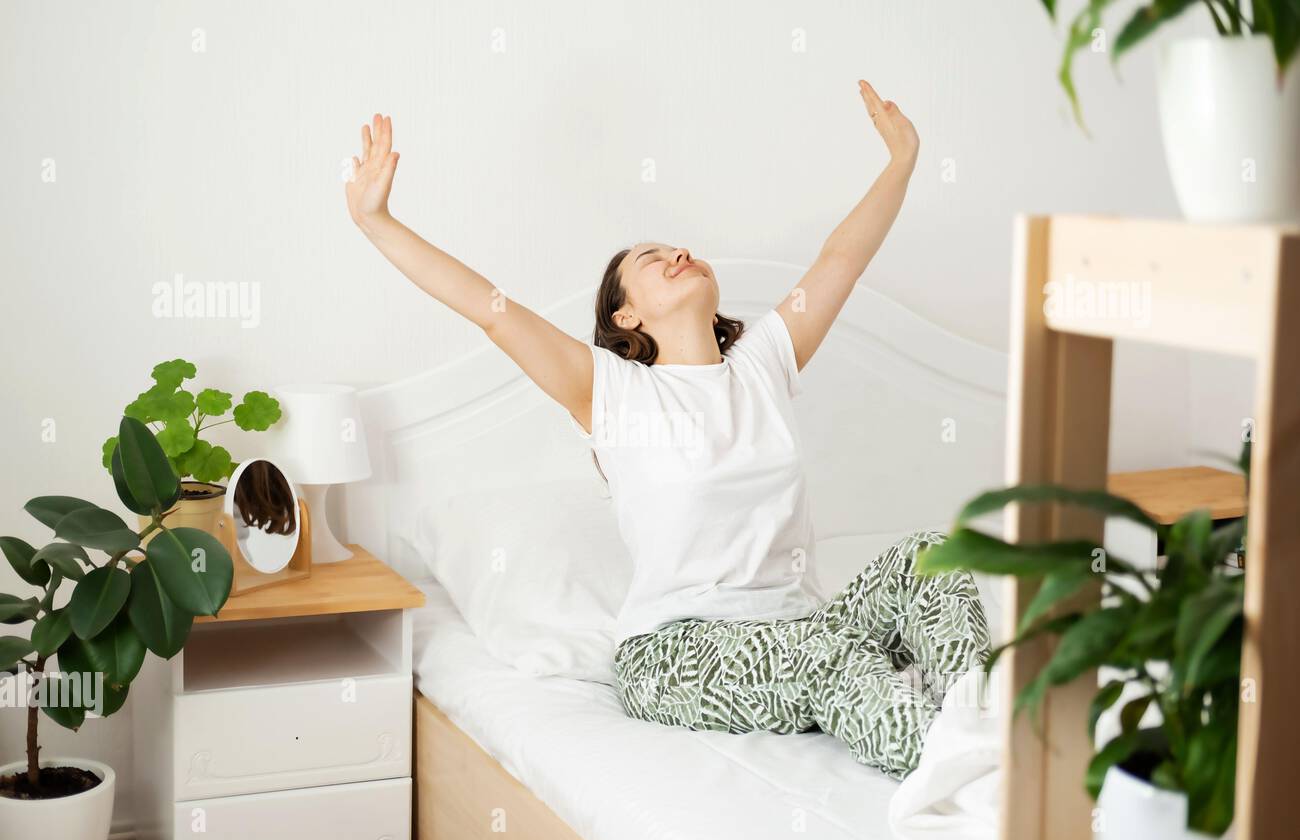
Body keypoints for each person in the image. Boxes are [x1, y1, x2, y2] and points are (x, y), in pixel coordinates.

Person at [344, 80, 989, 779]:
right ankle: (968, 773)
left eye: (680, 248)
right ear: (626, 318)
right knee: (829, 660)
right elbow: (493, 311)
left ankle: (985, 721)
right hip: (677, 654)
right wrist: (379, 222)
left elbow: (840, 260)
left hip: (801, 628)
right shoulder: (611, 391)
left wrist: (900, 162)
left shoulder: (764, 363)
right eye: (652, 261)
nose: (679, 253)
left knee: (932, 554)